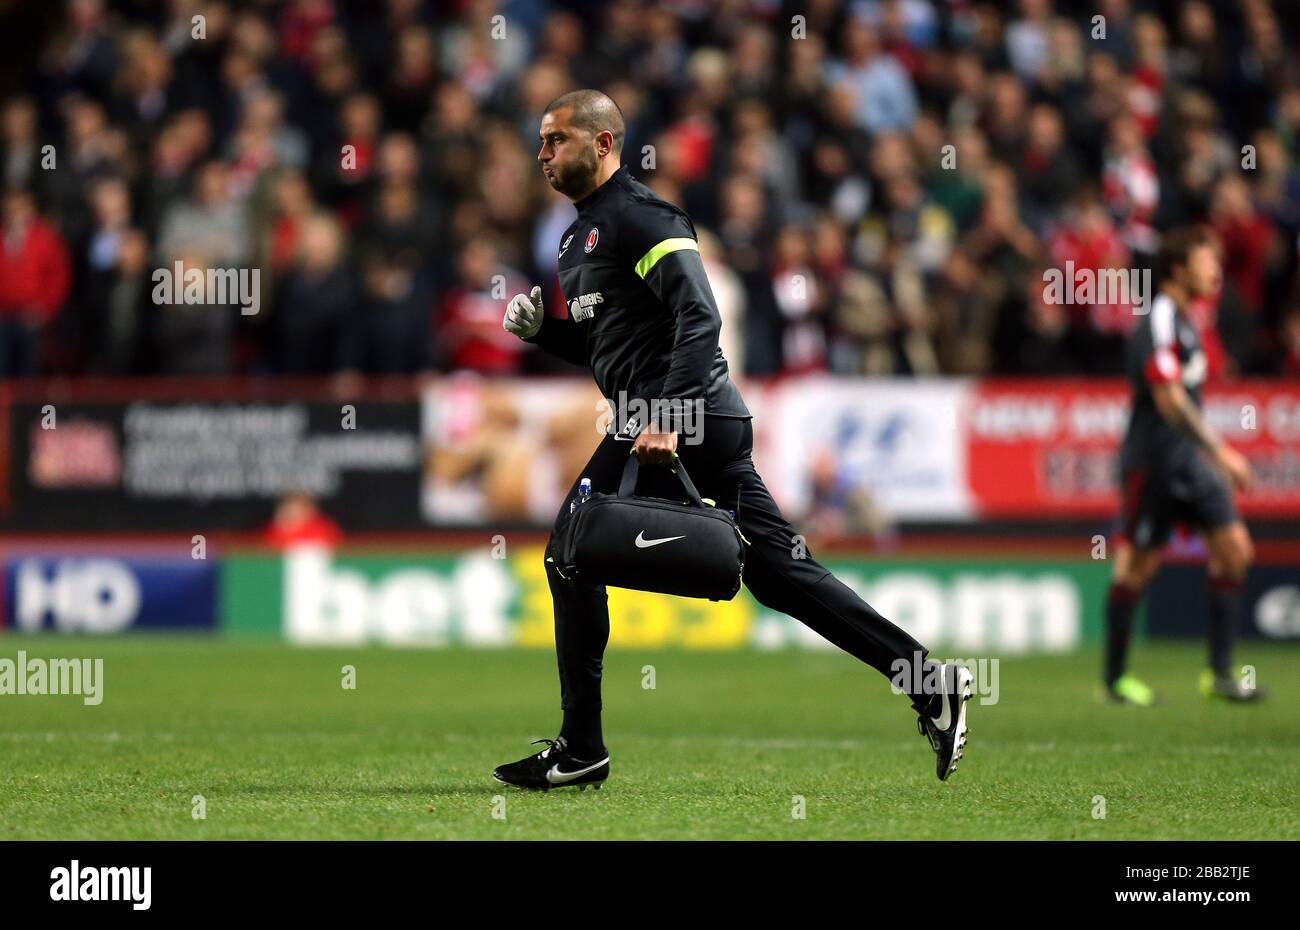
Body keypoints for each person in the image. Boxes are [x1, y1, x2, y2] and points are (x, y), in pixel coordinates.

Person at [492, 90, 972, 791]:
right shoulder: (576, 237)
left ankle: (581, 746)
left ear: (602, 145)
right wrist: (547, 335)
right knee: (780, 574)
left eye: (555, 140)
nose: (541, 154)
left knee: (570, 555)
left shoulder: (643, 215)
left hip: (679, 419)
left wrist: (665, 416)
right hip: (681, 417)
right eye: (539, 142)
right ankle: (930, 681)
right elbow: (612, 348)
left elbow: (700, 317)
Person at [1104, 227, 1266, 706]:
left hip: (1189, 463)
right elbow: (1169, 399)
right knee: (1137, 569)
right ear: (1179, 269)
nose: (1215, 269)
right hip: (1152, 464)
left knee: (1235, 550)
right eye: (1205, 260)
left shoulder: (1190, 321)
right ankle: (1115, 680)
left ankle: (1218, 675)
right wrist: (1223, 452)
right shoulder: (1159, 320)